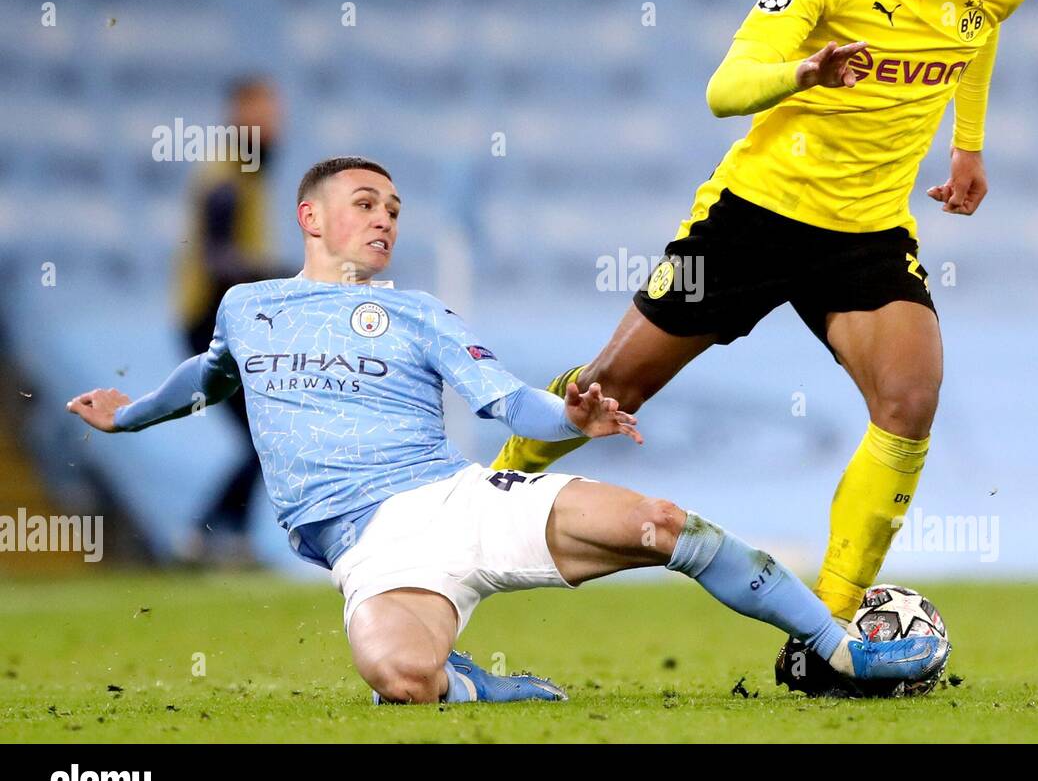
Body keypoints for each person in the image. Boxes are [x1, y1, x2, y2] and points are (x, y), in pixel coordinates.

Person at [66, 157, 948, 704]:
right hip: (372, 550)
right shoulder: (250, 306)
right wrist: (132, 415)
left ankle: (840, 650)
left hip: (458, 501)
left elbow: (508, 404)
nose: (385, 220)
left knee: (668, 527)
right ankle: (471, 684)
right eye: (367, 203)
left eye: (395, 210)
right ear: (312, 217)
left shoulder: (418, 314)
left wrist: (570, 414)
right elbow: (210, 376)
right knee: (402, 683)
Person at [488, 0, 1032, 695]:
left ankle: (827, 628)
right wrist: (806, 72)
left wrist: (967, 146)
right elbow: (722, 90)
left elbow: (980, 31)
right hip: (754, 222)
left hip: (866, 236)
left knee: (911, 397)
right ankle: (488, 489)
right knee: (610, 391)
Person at [174, 76, 286, 564]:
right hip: (209, 322)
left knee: (266, 433)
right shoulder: (226, 179)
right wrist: (277, 277)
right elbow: (217, 258)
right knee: (266, 431)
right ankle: (208, 534)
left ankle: (220, 534)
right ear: (238, 116)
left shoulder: (246, 172)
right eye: (263, 113)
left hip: (224, 321)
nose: (274, 123)